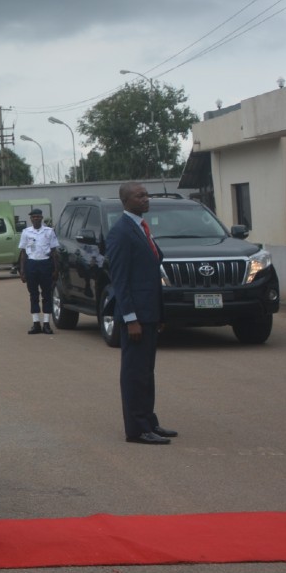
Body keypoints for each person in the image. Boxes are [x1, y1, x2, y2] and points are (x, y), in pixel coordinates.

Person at [106, 182, 178, 446]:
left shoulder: (141, 228)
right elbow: (121, 281)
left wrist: (157, 315)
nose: (146, 199)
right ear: (126, 201)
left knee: (147, 372)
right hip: (135, 317)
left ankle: (149, 421)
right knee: (135, 373)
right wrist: (130, 318)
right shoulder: (121, 233)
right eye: (140, 196)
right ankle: (136, 429)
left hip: (150, 313)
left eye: (146, 194)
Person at [17, 207, 59, 334]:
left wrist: (56, 269)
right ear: (31, 219)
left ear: (41, 218)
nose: (36, 219)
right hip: (32, 265)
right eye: (33, 217)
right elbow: (23, 253)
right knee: (33, 294)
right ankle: (36, 323)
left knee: (47, 294)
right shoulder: (26, 232)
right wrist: (22, 271)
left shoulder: (49, 232)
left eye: (38, 217)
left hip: (45, 264)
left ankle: (46, 324)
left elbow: (54, 252)